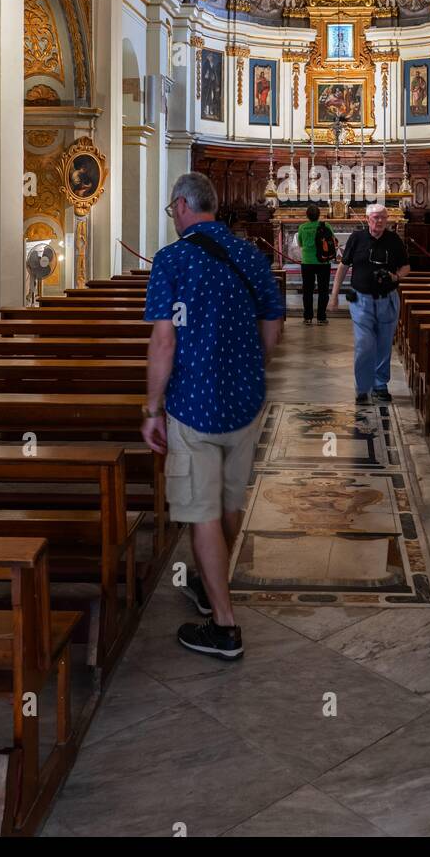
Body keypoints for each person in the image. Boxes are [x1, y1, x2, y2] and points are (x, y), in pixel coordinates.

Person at [141, 172, 283, 660]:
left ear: (181, 205)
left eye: (170, 210)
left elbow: (163, 341)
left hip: (191, 404)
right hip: (244, 401)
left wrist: (152, 408)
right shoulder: (251, 255)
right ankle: (210, 585)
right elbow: (273, 320)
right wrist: (255, 367)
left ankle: (224, 627)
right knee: (228, 501)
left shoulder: (171, 258)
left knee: (201, 511)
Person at [328, 204, 410, 404]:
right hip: (361, 300)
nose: (380, 221)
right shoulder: (357, 238)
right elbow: (343, 266)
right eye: (375, 217)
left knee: (383, 344)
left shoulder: (394, 240)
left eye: (383, 217)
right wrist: (334, 295)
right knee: (364, 344)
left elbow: (406, 267)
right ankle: (363, 386)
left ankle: (380, 384)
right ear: (367, 219)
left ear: (387, 219)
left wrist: (395, 275)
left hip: (388, 299)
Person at [297, 203, 336, 324]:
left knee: (307, 290)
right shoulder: (326, 225)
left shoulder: (302, 227)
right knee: (323, 290)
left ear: (307, 215)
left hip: (307, 262)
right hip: (323, 261)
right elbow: (332, 242)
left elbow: (300, 244)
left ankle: (308, 317)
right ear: (319, 215)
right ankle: (321, 317)